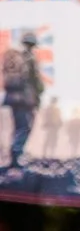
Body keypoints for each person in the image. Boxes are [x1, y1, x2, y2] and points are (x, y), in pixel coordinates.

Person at [3, 31, 42, 168]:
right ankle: (16, 155)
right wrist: (38, 95)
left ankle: (14, 156)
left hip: (13, 98)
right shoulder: (30, 59)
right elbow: (36, 81)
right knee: (25, 127)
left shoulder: (14, 58)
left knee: (18, 127)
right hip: (25, 99)